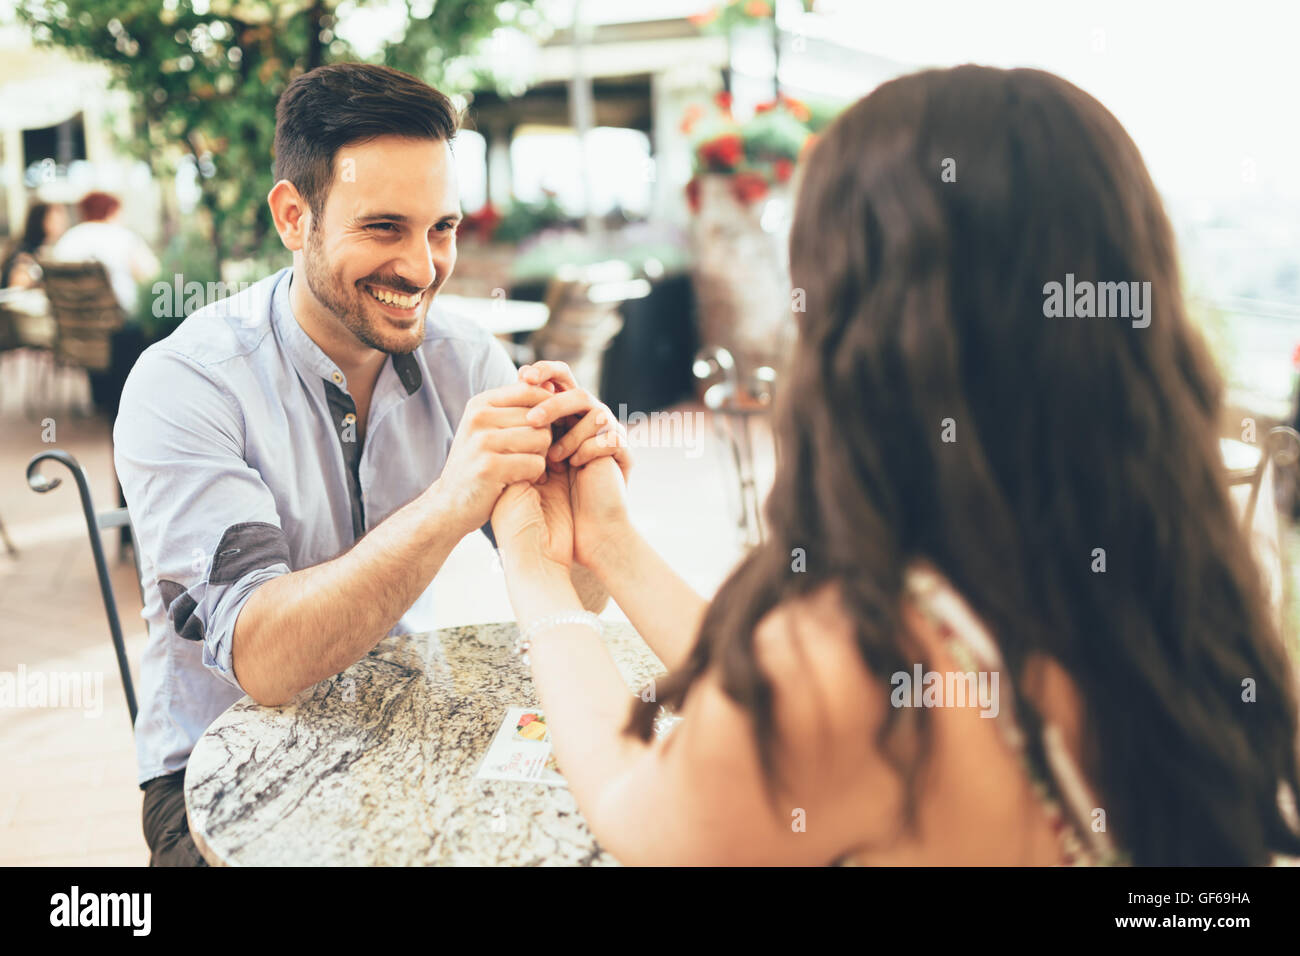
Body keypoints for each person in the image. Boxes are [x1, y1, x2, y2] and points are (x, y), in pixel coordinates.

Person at [491, 66, 1300, 865]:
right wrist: (609, 542)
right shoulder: (1162, 577)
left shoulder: (851, 670)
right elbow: (780, 708)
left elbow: (640, 805)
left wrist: (534, 571)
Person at [113, 63, 628, 866]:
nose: (422, 269)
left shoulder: (466, 358)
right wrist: (452, 501)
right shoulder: (188, 383)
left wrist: (587, 526)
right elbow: (266, 661)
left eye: (442, 229)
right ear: (294, 216)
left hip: (400, 722)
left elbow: (573, 598)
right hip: (215, 773)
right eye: (385, 227)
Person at [51, 191, 159, 314]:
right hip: (119, 320)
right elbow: (151, 274)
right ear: (112, 211)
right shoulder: (123, 237)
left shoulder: (67, 239)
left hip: (70, 318)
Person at [1, 201, 67, 288]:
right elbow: (18, 286)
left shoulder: (53, 249)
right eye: (56, 220)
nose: (63, 223)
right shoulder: (24, 252)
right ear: (40, 220)